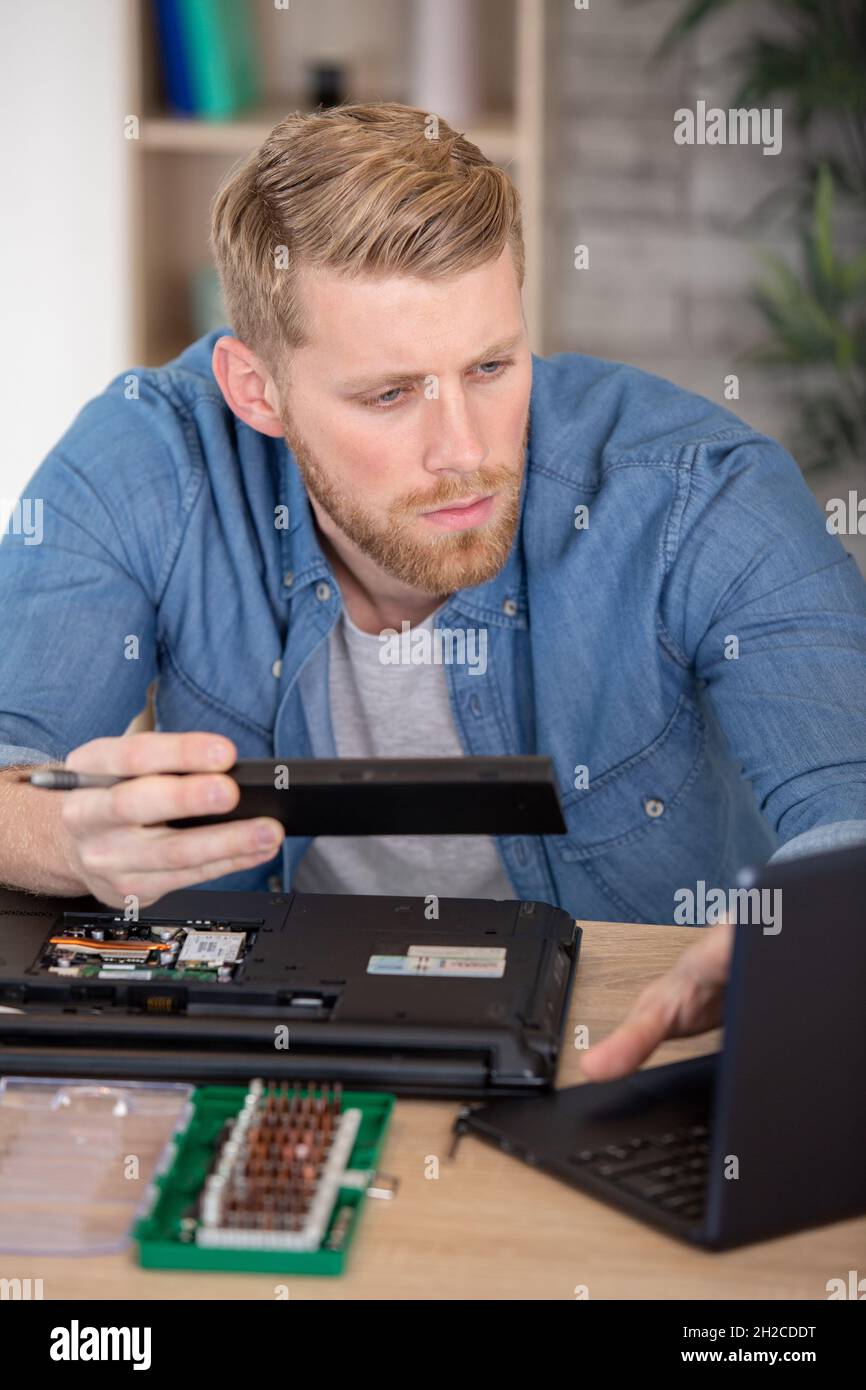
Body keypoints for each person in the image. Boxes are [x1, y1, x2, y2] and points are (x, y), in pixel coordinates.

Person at [2, 102, 866, 953]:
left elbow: (850, 808)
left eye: (491, 367)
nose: (465, 451)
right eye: (387, 394)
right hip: (279, 1054)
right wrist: (65, 841)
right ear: (255, 390)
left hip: (629, 1052)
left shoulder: (700, 490)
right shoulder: (149, 457)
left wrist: (786, 948)